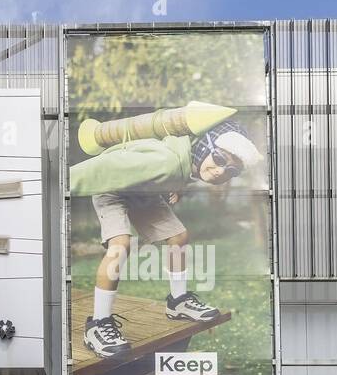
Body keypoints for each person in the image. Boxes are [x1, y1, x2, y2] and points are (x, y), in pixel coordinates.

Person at [71, 119, 263, 359]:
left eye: (231, 171)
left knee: (178, 236)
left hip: (141, 193)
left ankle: (178, 301)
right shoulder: (167, 160)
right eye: (220, 159)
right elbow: (107, 166)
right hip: (112, 188)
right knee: (120, 246)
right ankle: (98, 325)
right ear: (205, 146)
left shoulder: (186, 160)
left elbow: (172, 173)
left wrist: (176, 184)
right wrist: (62, 182)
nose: (220, 171)